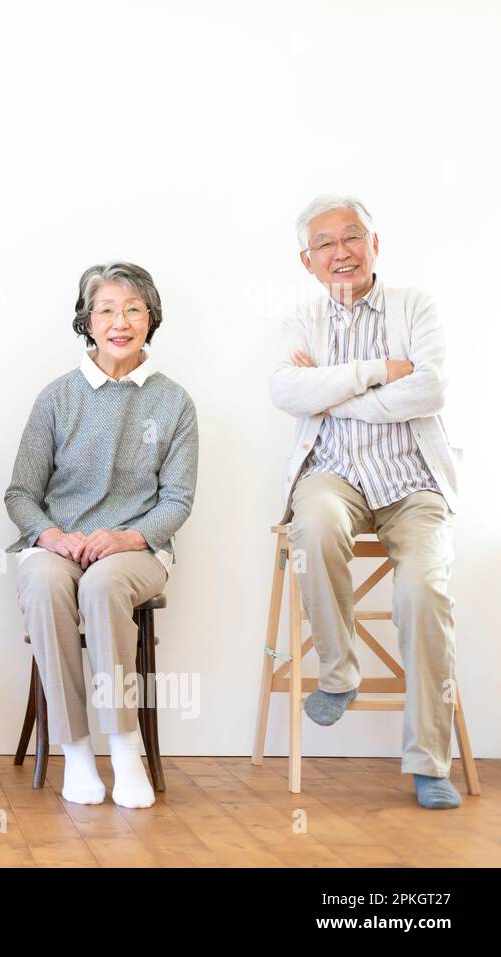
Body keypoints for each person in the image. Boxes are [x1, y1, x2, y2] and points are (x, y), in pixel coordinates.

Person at [268, 195, 463, 810]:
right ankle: (339, 670)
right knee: (316, 524)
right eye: (325, 243)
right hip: (334, 475)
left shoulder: (415, 305)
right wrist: (382, 369)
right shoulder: (301, 319)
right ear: (308, 261)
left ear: (374, 245)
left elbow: (429, 389)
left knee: (424, 593)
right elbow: (286, 390)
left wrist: (331, 391)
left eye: (352, 237)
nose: (341, 251)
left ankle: (430, 763)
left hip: (414, 484)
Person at [5, 262, 198, 809]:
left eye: (133, 309)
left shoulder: (174, 402)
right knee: (44, 582)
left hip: (138, 549)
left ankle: (124, 745)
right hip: (61, 543)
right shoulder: (57, 397)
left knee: (101, 586)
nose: (120, 321)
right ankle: (77, 752)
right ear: (87, 322)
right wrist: (52, 536)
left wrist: (126, 537)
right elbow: (20, 493)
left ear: (151, 319)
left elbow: (177, 501)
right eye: (107, 310)